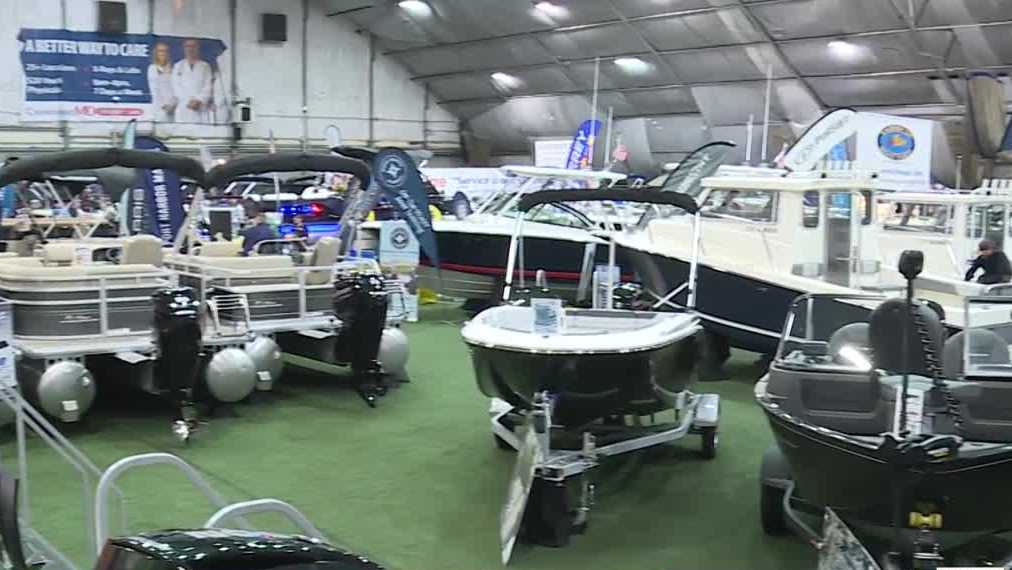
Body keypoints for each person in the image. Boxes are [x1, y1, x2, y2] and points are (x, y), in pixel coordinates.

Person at [172, 38, 213, 124]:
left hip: (200, 107)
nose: (190, 49)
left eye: (193, 46)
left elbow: (208, 86)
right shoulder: (178, 66)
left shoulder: (205, 66)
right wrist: (188, 101)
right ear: (184, 48)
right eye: (188, 46)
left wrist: (199, 100)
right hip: (184, 107)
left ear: (198, 48)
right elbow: (176, 86)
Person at [147, 41, 176, 122]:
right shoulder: (153, 68)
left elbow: (177, 88)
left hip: (174, 107)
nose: (163, 53)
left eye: (165, 51)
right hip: (160, 108)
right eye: (160, 51)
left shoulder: (174, 69)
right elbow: (154, 90)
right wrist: (164, 105)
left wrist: (173, 104)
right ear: (156, 53)